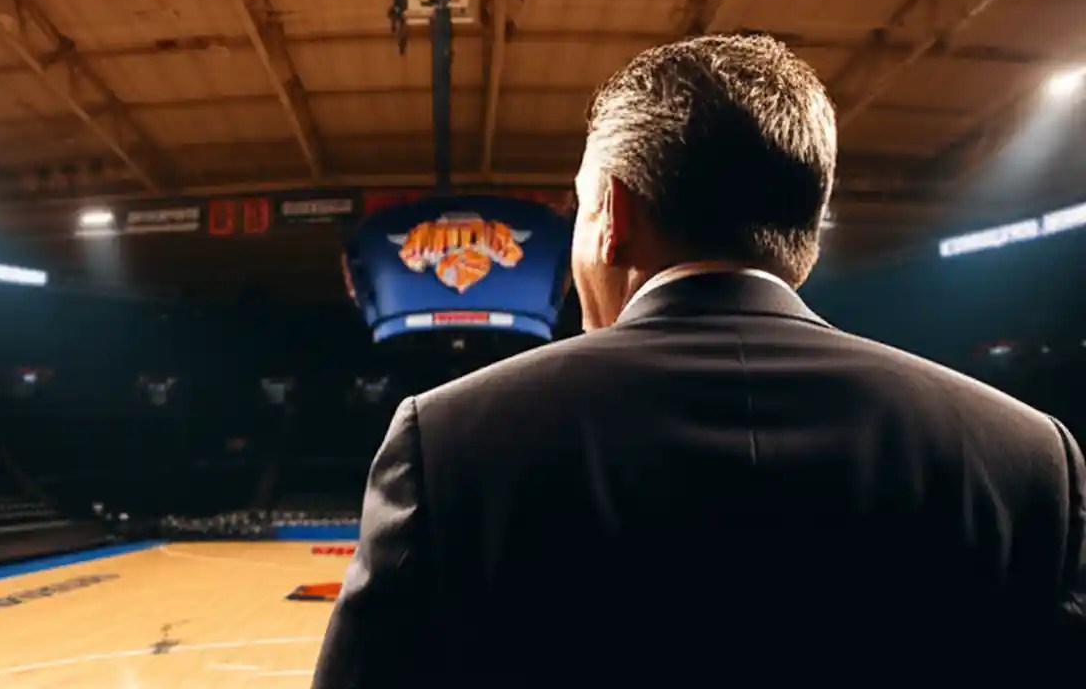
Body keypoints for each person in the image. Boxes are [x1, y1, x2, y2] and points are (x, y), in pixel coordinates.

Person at [312, 35, 1085, 687]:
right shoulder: (1025, 457)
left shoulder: (447, 440)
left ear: (612, 216)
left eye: (580, 207)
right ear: (805, 233)